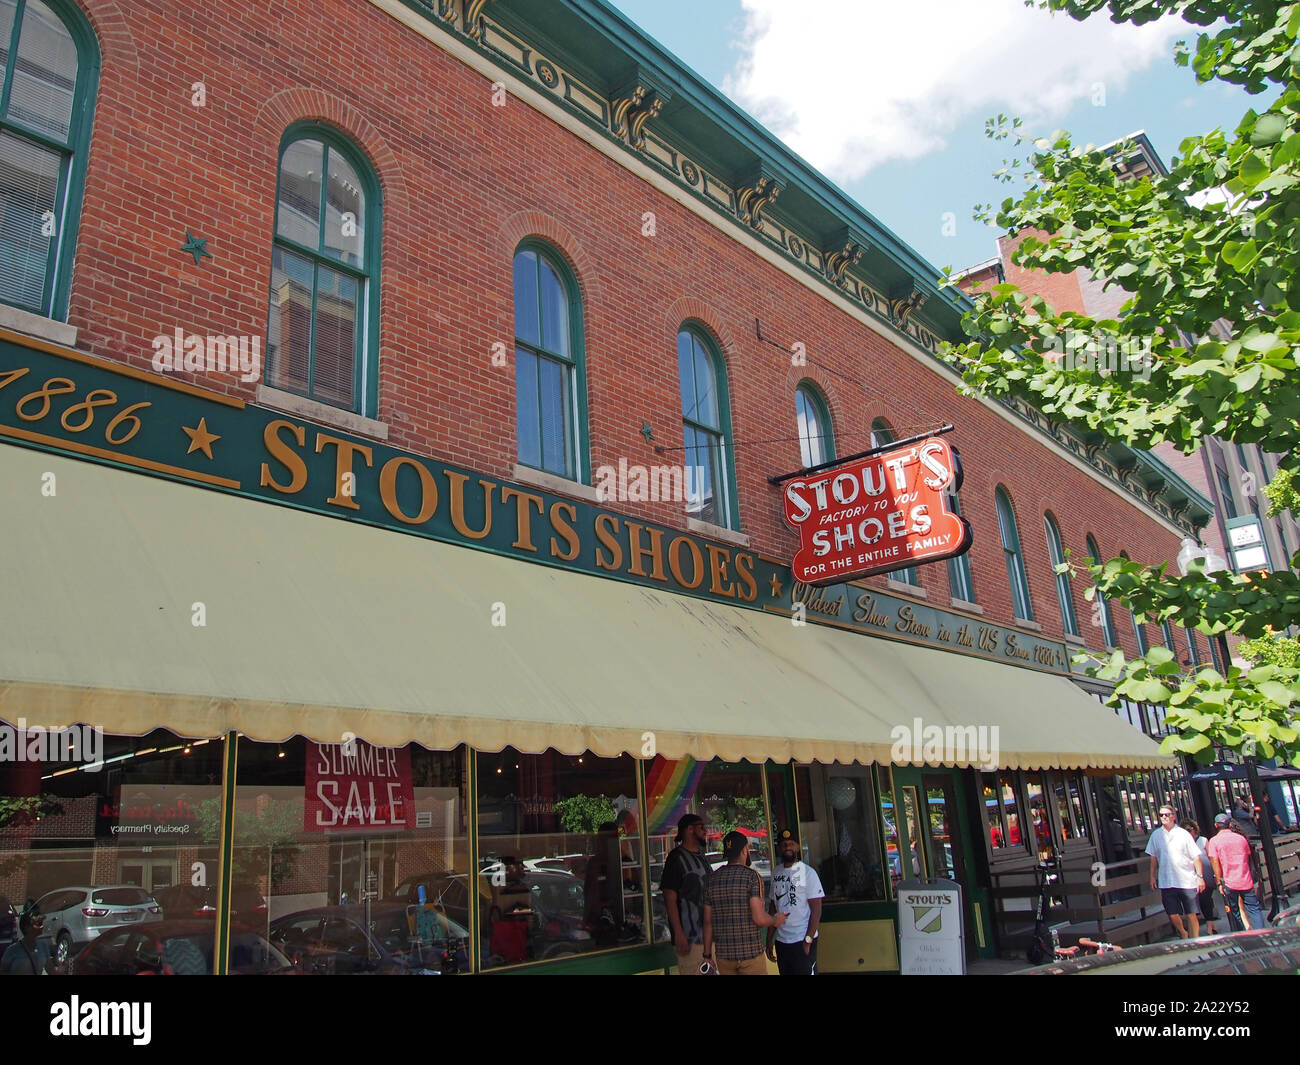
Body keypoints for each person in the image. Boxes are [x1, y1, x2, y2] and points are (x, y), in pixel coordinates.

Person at [702, 830, 784, 974]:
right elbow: (759, 918)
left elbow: (707, 922)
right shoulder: (752, 877)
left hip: (724, 956)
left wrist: (707, 955)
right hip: (750, 954)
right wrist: (774, 920)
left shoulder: (712, 879)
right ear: (744, 851)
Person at [766, 828, 824, 975]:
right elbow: (773, 907)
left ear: (798, 847)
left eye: (791, 843)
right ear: (779, 848)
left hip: (802, 939)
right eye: (784, 844)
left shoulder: (808, 873)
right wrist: (769, 939)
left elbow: (816, 911)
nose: (788, 847)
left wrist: (808, 940)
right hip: (782, 941)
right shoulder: (776, 873)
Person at [660, 813, 711, 975]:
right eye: (701, 827)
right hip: (691, 939)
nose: (706, 831)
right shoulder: (676, 859)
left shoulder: (702, 857)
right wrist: (679, 933)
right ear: (690, 829)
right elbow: (669, 897)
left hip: (710, 937)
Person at [1145, 804, 1204, 939]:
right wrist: (1152, 876)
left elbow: (1196, 856)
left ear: (1173, 816)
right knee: (1172, 913)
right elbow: (1153, 857)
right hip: (1167, 880)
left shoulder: (1183, 834)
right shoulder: (1156, 835)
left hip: (1186, 879)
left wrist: (1200, 876)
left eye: (1167, 814)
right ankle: (1183, 932)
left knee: (1191, 913)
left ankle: (1195, 940)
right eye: (1161, 815)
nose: (1164, 817)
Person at [1206, 812, 1266, 931]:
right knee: (1254, 909)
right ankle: (1262, 933)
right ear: (1229, 824)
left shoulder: (1214, 841)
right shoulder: (1241, 839)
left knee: (1234, 911)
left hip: (1229, 882)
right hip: (1245, 880)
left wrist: (1219, 882)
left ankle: (1240, 935)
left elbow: (1215, 863)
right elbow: (1248, 859)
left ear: (1216, 825)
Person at [1182, 818, 1218, 934]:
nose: (1188, 833)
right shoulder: (1183, 843)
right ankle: (1208, 925)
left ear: (1195, 830)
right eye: (1184, 831)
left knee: (1205, 899)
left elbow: (1211, 856)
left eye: (1189, 830)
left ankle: (1209, 924)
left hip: (1206, 875)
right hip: (1191, 876)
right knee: (1195, 901)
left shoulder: (1203, 840)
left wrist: (1216, 874)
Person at [1, 910, 55, 975]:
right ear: (27, 928)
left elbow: (51, 970)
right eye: (38, 924)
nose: (42, 926)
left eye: (42, 923)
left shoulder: (43, 945)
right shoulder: (12, 950)